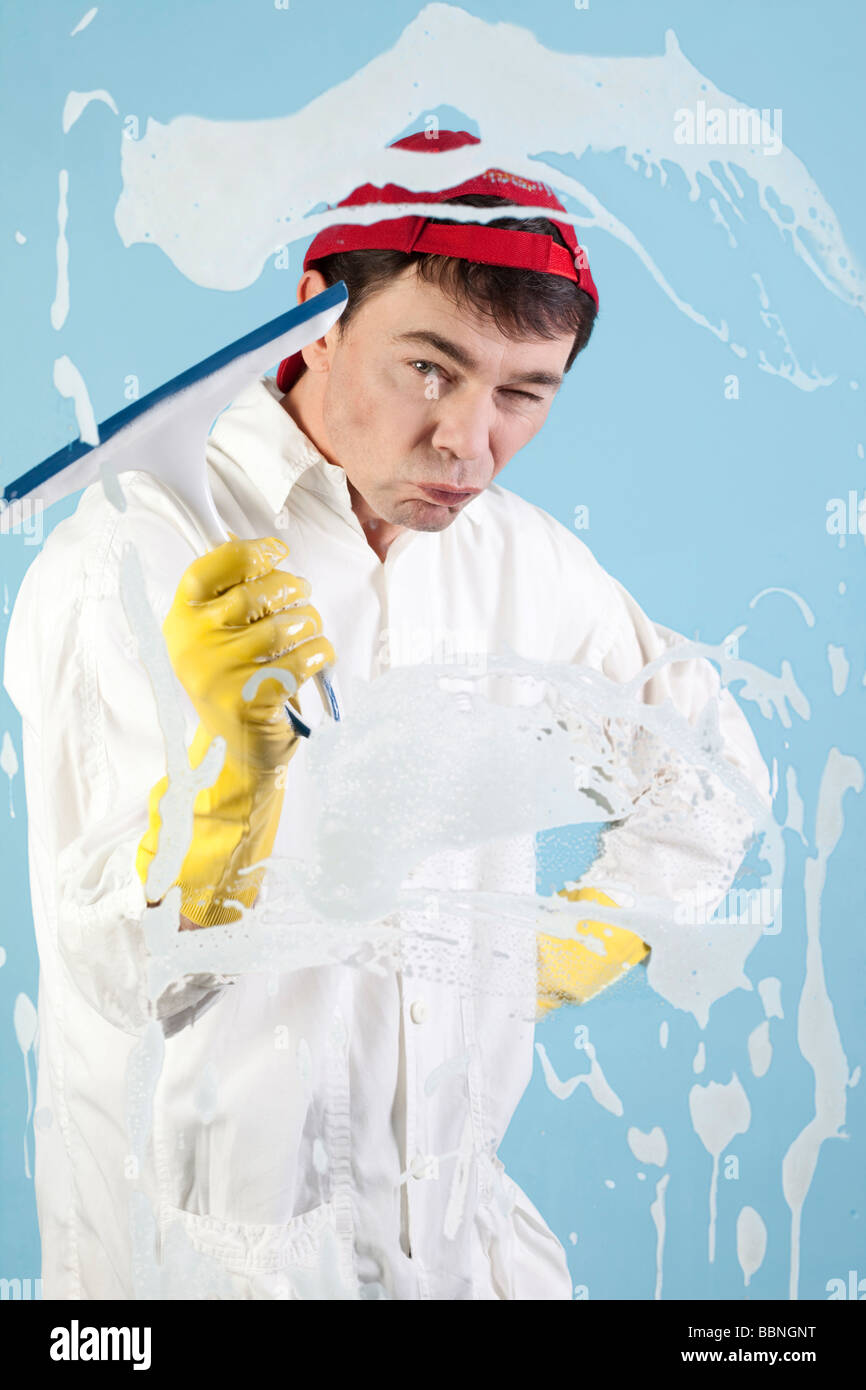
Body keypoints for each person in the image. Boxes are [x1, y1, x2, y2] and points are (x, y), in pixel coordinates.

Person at [3, 130, 769, 1300]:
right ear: (316, 315)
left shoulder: (520, 562)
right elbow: (112, 971)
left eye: (522, 393)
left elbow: (706, 767)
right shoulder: (126, 556)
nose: (468, 443)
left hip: (465, 1262)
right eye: (428, 368)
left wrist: (589, 934)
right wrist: (228, 790)